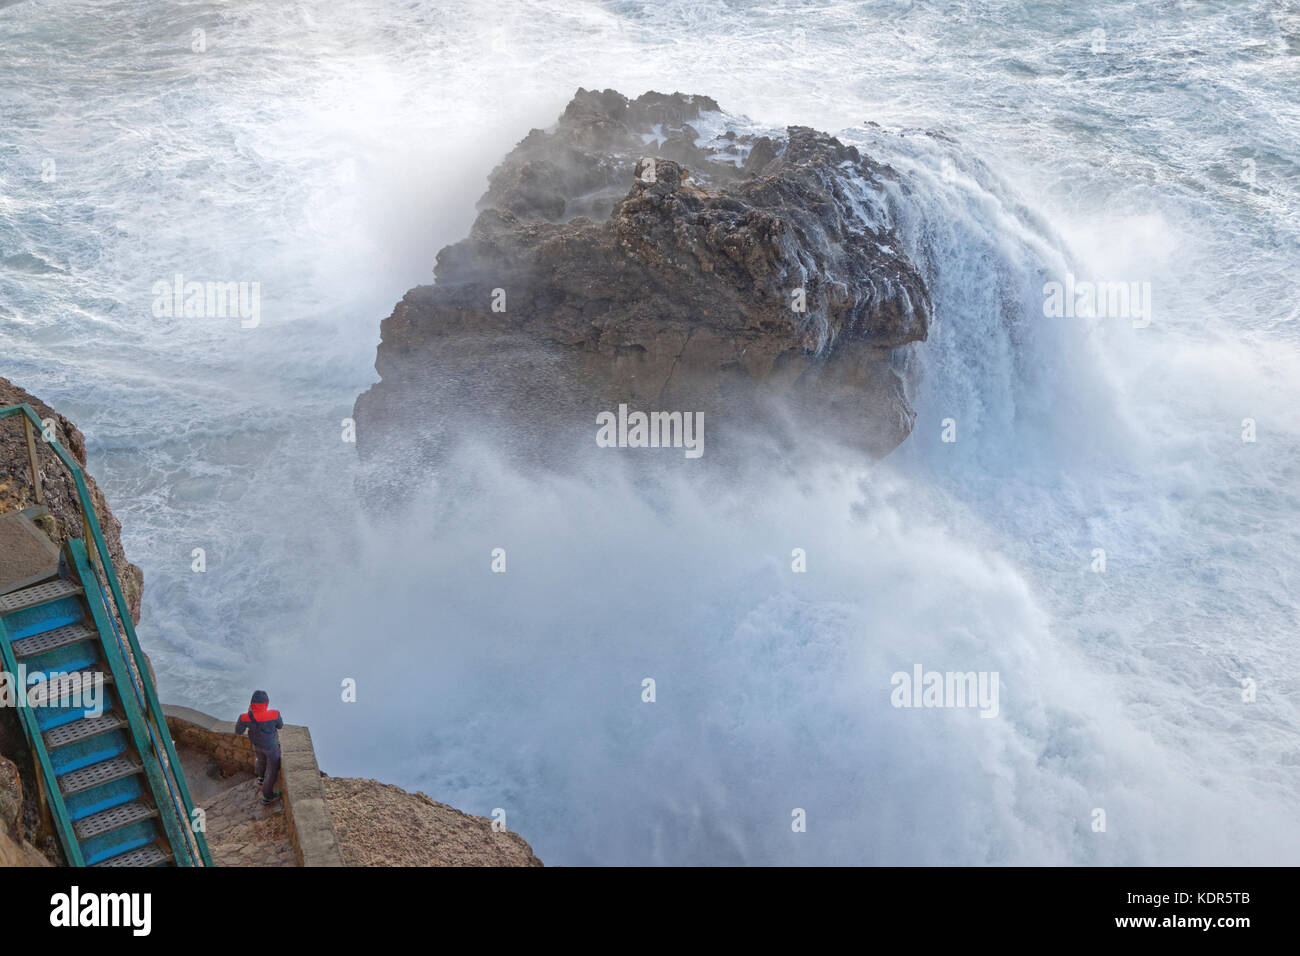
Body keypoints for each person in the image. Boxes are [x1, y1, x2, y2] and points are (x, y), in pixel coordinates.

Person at [235, 689, 283, 805]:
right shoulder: (274, 714)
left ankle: (260, 778)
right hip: (272, 748)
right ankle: (267, 796)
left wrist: (249, 714)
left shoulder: (244, 717)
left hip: (257, 745)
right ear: (266, 703)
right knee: (272, 771)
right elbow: (280, 726)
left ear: (251, 703)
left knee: (261, 760)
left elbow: (239, 732)